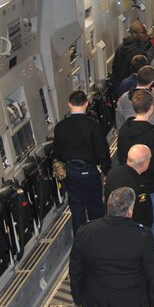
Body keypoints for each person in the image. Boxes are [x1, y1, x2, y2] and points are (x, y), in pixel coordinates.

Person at [69, 187, 154, 307]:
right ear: (130, 211)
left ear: (108, 207)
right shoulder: (142, 235)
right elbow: (153, 271)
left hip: (96, 303)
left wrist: (78, 297)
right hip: (133, 303)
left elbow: (76, 269)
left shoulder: (85, 231)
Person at [53, 90, 111, 234]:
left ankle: (80, 240)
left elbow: (57, 153)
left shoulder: (60, 127)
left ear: (69, 105)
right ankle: (97, 236)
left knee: (76, 207)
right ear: (86, 103)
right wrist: (106, 170)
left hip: (70, 172)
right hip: (89, 171)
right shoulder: (93, 125)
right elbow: (102, 151)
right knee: (95, 206)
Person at [117, 90, 154, 239]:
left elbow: (121, 157)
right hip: (150, 189)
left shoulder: (123, 132)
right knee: (151, 229)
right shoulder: (152, 136)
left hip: (129, 186)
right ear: (151, 107)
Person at [115, 65, 154, 143]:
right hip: (152, 141)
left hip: (129, 142)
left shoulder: (123, 98)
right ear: (152, 81)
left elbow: (119, 122)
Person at [104, 144, 153, 230]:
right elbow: (143, 214)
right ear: (144, 164)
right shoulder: (140, 186)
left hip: (111, 223)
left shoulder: (112, 173)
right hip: (131, 229)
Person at [110, 21, 150, 92]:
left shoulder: (120, 48)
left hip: (121, 87)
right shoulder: (139, 52)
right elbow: (144, 74)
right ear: (134, 34)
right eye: (143, 32)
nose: (147, 34)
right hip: (136, 90)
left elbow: (115, 69)